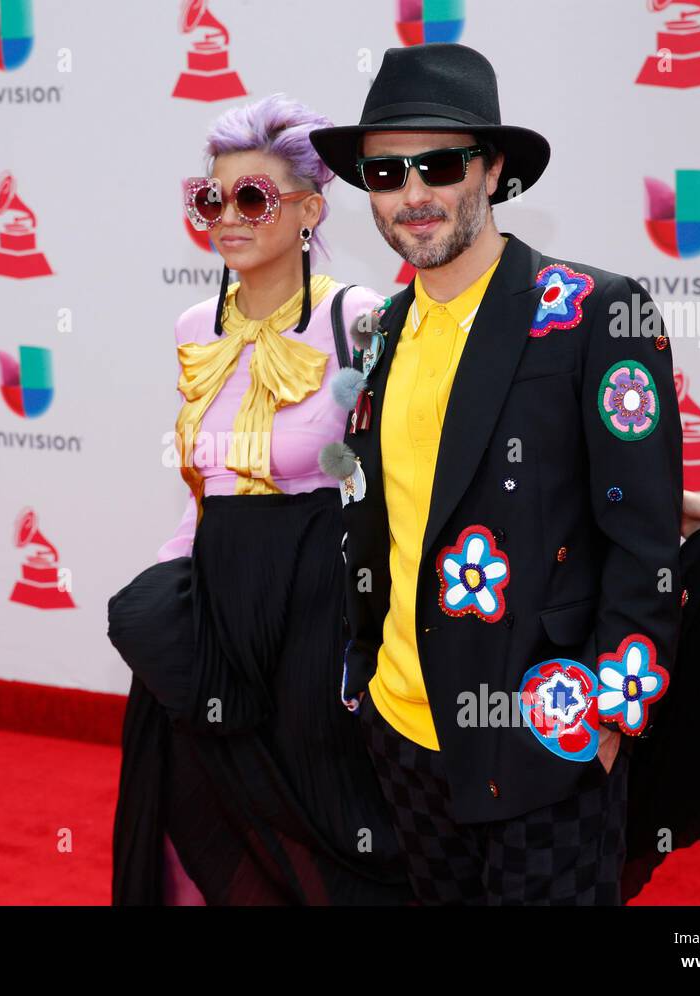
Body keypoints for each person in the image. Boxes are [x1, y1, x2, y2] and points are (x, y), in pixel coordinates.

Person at [307, 42, 700, 905]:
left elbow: (638, 542)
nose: (412, 194)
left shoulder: (594, 313)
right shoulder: (381, 335)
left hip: (545, 734)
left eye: (438, 164)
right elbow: (391, 512)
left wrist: (609, 714)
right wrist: (363, 688)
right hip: (402, 730)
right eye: (385, 172)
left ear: (494, 167)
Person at [108, 93, 414, 905]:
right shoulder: (191, 326)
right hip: (219, 601)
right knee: (197, 812)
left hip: (315, 612)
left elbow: (412, 461)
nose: (227, 217)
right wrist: (166, 595)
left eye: (253, 198)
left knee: (319, 823)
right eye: (211, 198)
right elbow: (206, 489)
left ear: (310, 210)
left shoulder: (360, 318)